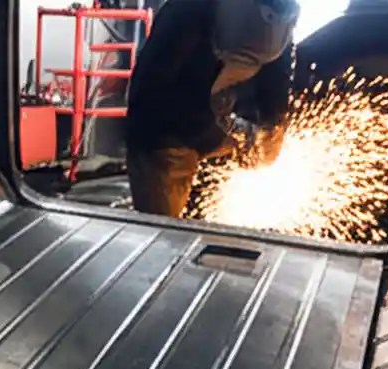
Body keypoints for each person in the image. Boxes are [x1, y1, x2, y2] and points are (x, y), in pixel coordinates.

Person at [126, 0, 300, 218]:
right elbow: (149, 97)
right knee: (164, 232)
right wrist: (212, 123)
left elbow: (277, 86)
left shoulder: (279, 13)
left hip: (218, 127)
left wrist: (270, 129)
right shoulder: (183, 15)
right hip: (165, 136)